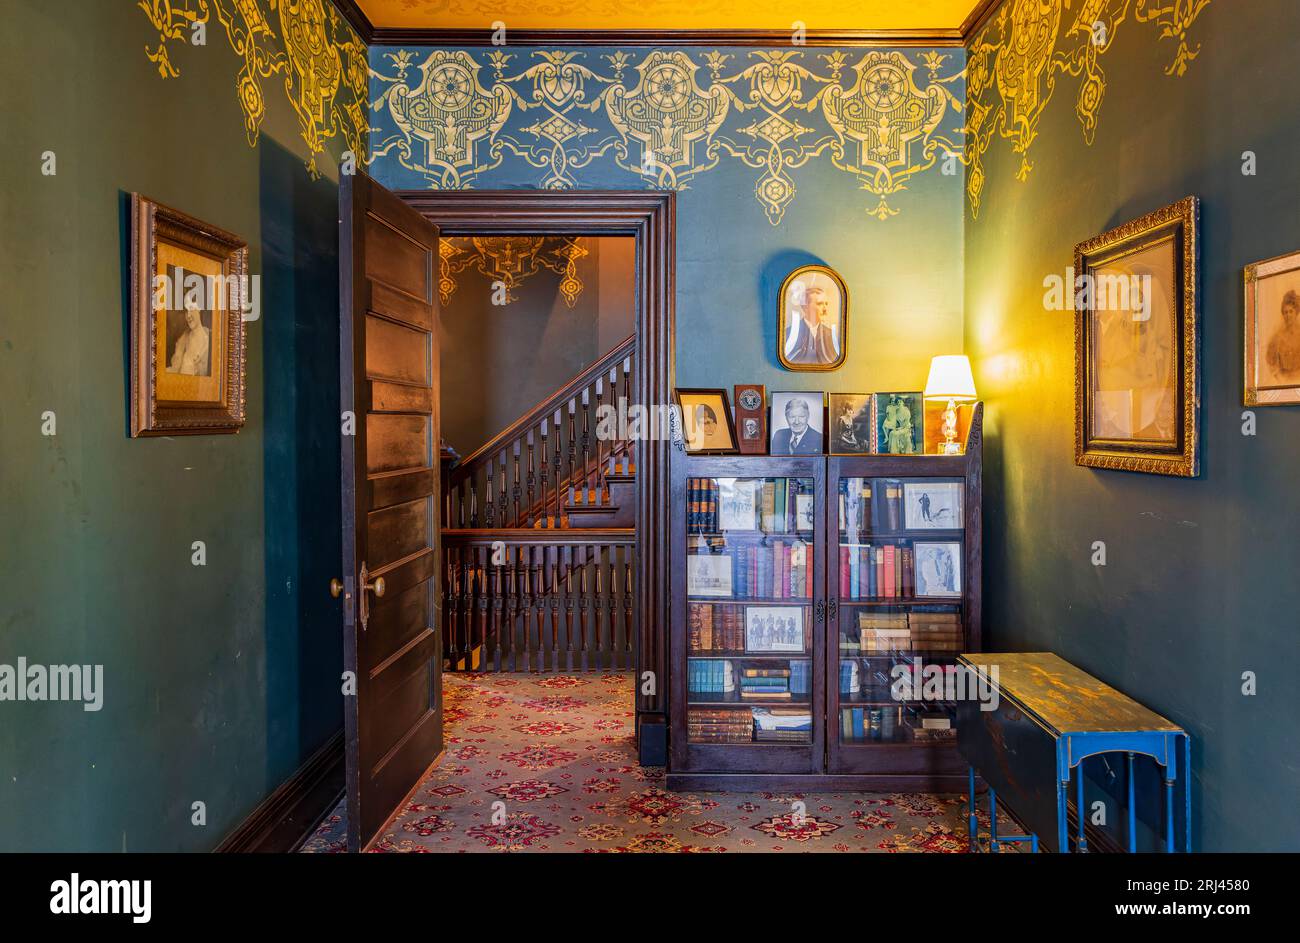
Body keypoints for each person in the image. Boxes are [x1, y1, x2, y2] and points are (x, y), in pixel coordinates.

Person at [785, 282, 839, 365]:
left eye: (826, 304)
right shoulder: (788, 333)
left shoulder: (831, 335)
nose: (825, 309)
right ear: (805, 307)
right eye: (820, 304)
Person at [168, 298, 211, 376]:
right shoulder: (183, 340)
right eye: (186, 311)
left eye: (191, 309)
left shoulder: (210, 341)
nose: (188, 315)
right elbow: (174, 370)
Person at [1266, 289, 1300, 380]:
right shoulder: (1277, 338)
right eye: (1285, 312)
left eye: (1291, 311)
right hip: (1283, 380)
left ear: (1296, 313)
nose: (1288, 315)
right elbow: (1271, 364)